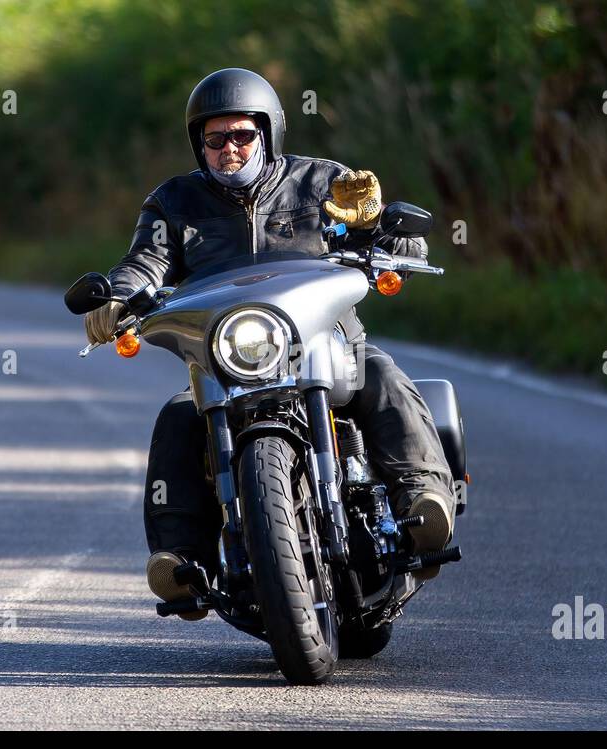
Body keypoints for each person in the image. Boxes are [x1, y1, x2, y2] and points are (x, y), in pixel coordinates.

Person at [83, 68, 455, 618]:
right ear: (199, 143)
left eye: (242, 136)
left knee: (379, 375)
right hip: (229, 360)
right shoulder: (173, 204)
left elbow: (364, 228)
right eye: (216, 139)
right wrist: (117, 295)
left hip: (323, 343)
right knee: (180, 417)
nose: (230, 149)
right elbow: (146, 261)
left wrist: (388, 236)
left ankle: (424, 502)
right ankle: (180, 563)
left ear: (268, 134)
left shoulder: (321, 182)